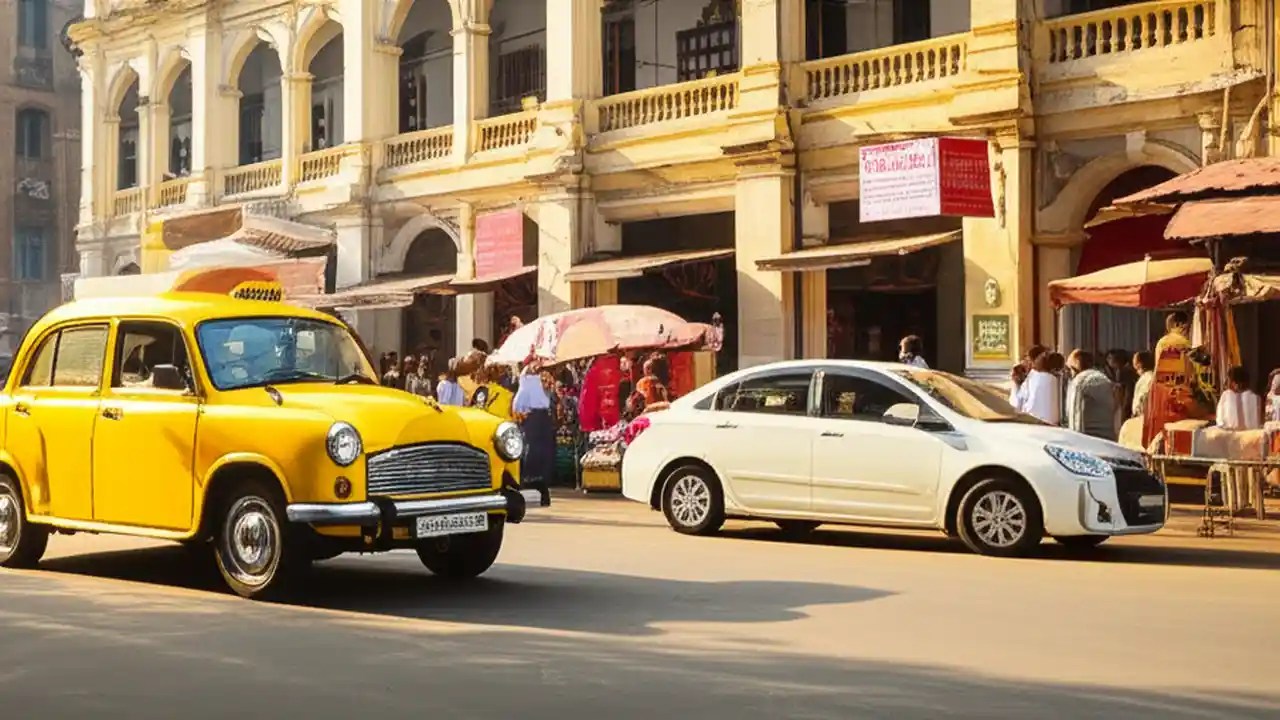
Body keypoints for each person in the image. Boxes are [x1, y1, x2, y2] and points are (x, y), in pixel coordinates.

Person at [1217, 365, 1263, 513]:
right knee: (1252, 474)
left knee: (1233, 472)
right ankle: (1254, 504)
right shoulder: (1255, 398)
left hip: (1233, 441)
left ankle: (1233, 504)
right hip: (1252, 441)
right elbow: (1257, 421)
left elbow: (1221, 421)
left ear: (1233, 382)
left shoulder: (1226, 396)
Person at [513, 360, 554, 487]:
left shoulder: (527, 381)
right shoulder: (544, 379)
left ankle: (530, 476)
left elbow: (518, 403)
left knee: (532, 446)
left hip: (532, 415)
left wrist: (519, 413)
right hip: (543, 415)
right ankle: (544, 476)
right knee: (544, 446)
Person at [1066, 350, 1117, 440]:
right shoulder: (1104, 378)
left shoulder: (1080, 382)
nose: (1070, 372)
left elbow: (1076, 418)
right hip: (1108, 438)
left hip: (1088, 441)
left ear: (1076, 366)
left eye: (1070, 368)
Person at [1017, 351, 1060, 425]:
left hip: (1033, 417)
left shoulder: (1035, 375)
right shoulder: (1054, 379)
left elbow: (1022, 396)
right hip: (1051, 421)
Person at [1131, 351, 1155, 418]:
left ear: (1140, 363)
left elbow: (1143, 397)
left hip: (1142, 416)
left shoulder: (1148, 378)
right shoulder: (1148, 376)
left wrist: (1136, 413)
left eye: (1134, 358)